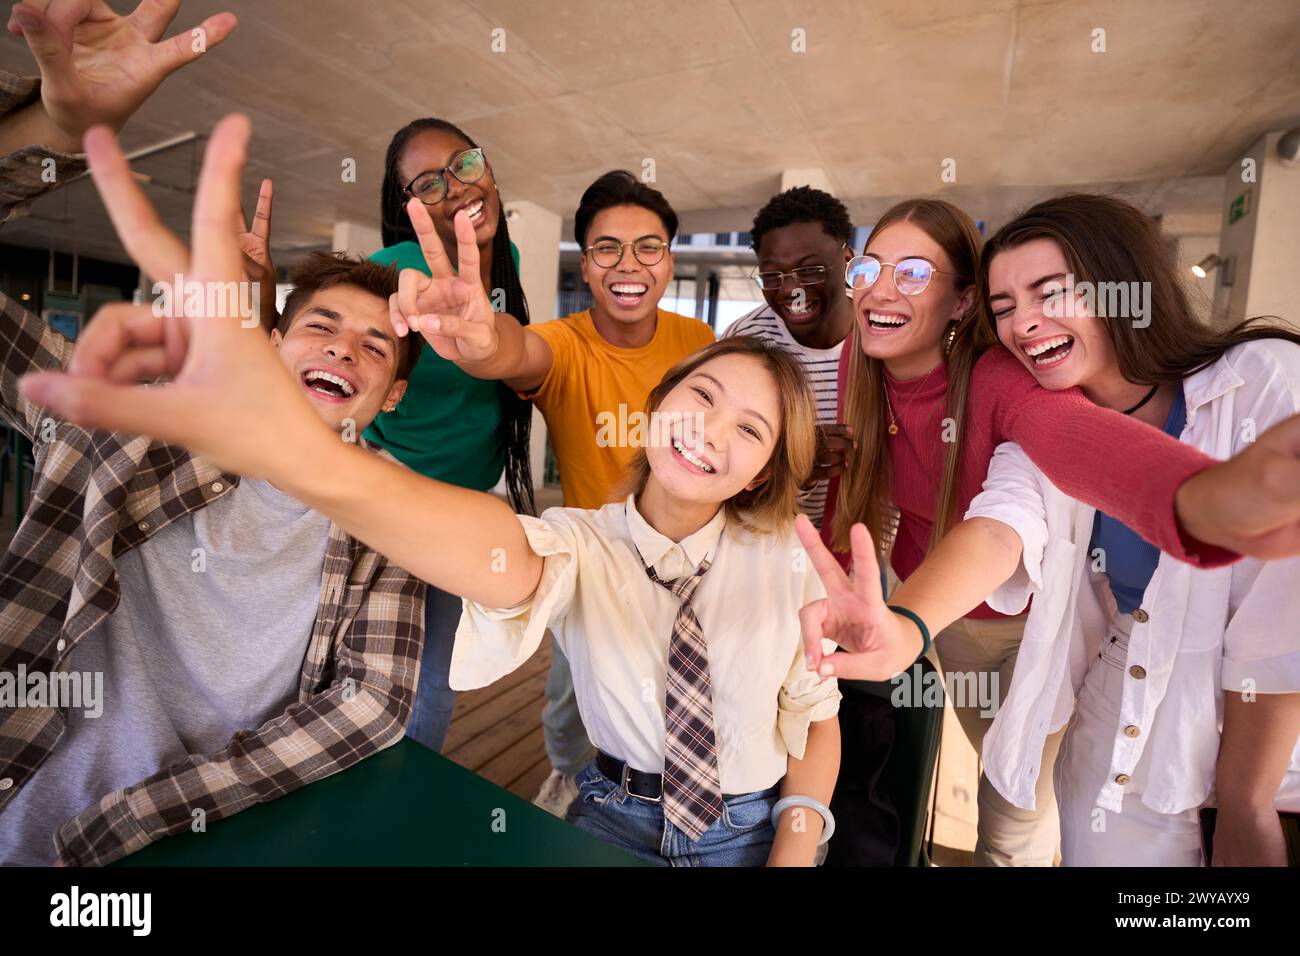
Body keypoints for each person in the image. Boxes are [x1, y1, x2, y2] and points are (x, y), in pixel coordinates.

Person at [20, 127, 842, 865]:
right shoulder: (138, 436)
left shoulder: (762, 504)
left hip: (758, 828)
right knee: (562, 716)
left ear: (767, 467)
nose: (711, 432)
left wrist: (799, 835)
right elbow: (511, 522)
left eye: (751, 430)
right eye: (700, 403)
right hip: (605, 785)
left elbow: (811, 715)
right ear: (655, 410)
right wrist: (47, 129)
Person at [0, 1, 424, 866]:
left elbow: (371, 705)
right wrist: (52, 131)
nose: (346, 345)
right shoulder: (131, 424)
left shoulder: (394, 524)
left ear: (388, 399)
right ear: (271, 347)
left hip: (196, 846)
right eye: (323, 326)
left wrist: (136, 819)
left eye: (376, 344)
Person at [818, 197, 1300, 865]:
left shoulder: (1014, 385)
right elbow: (998, 523)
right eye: (1008, 305)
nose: (1026, 322)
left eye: (915, 273)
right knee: (1022, 786)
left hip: (1063, 636)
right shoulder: (871, 369)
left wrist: (1202, 496)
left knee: (1016, 818)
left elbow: (1081, 443)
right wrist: (900, 623)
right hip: (992, 633)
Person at [399, 169, 714, 813]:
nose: (629, 264)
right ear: (587, 265)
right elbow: (513, 353)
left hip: (700, 564)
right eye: (607, 248)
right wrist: (482, 344)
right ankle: (571, 787)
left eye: (648, 246)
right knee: (575, 706)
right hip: (598, 572)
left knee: (694, 699)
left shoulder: (700, 343)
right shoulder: (565, 345)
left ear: (670, 259)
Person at [366, 117, 536, 754]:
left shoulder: (509, 259)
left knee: (434, 682)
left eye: (464, 164)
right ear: (408, 206)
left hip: (467, 504)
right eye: (428, 184)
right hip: (390, 499)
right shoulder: (392, 270)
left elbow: (502, 359)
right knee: (370, 672)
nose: (458, 188)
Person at [724, 186, 855, 528]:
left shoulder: (884, 330)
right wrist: (796, 464)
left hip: (864, 548)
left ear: (847, 260)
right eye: (771, 276)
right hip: (769, 543)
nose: (789, 290)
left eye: (810, 270)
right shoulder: (745, 342)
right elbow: (725, 463)